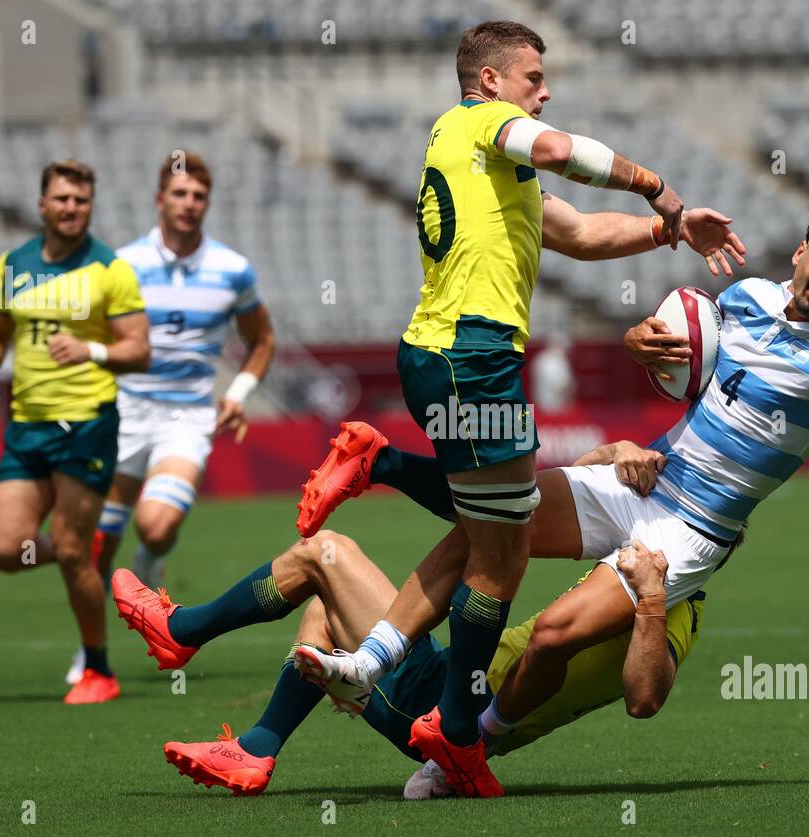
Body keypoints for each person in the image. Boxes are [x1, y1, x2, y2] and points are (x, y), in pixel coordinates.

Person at [294, 196, 809, 796]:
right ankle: (374, 658)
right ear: (799, 251)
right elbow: (678, 357)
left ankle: (469, 748)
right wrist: (639, 344)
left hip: (690, 532)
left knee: (554, 636)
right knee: (490, 525)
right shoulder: (747, 297)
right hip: (648, 478)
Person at [293, 20, 746, 797]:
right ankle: (460, 738)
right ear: (493, 81)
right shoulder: (486, 124)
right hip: (473, 356)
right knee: (498, 557)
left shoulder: (480, 159)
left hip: (442, 356)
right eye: (534, 75)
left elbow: (574, 230)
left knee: (494, 526)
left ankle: (372, 653)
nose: (546, 89)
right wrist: (659, 187)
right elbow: (561, 150)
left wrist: (664, 230)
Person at [113, 527, 709, 797]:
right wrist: (617, 450)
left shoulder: (667, 599)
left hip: (440, 711)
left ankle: (181, 631)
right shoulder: (648, 559)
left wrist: (654, 594)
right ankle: (258, 746)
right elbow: (575, 491)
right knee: (328, 599)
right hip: (446, 682)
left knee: (326, 554)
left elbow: (644, 698)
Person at [74, 152, 275, 682]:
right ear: (159, 199)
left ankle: (151, 565)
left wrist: (240, 391)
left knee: (156, 525)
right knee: (97, 542)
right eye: (180, 194)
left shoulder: (231, 269)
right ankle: (90, 651)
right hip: (122, 409)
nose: (189, 204)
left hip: (186, 415)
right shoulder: (120, 265)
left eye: (199, 196)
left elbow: (262, 340)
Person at [0, 160, 150, 704]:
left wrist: (92, 350)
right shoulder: (12, 264)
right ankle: (81, 547)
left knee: (71, 554)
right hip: (26, 427)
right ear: (42, 205)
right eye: (63, 199)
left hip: (86, 425)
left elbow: (139, 350)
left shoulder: (109, 269)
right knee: (4, 550)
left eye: (82, 200)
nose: (72, 208)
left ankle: (99, 669)